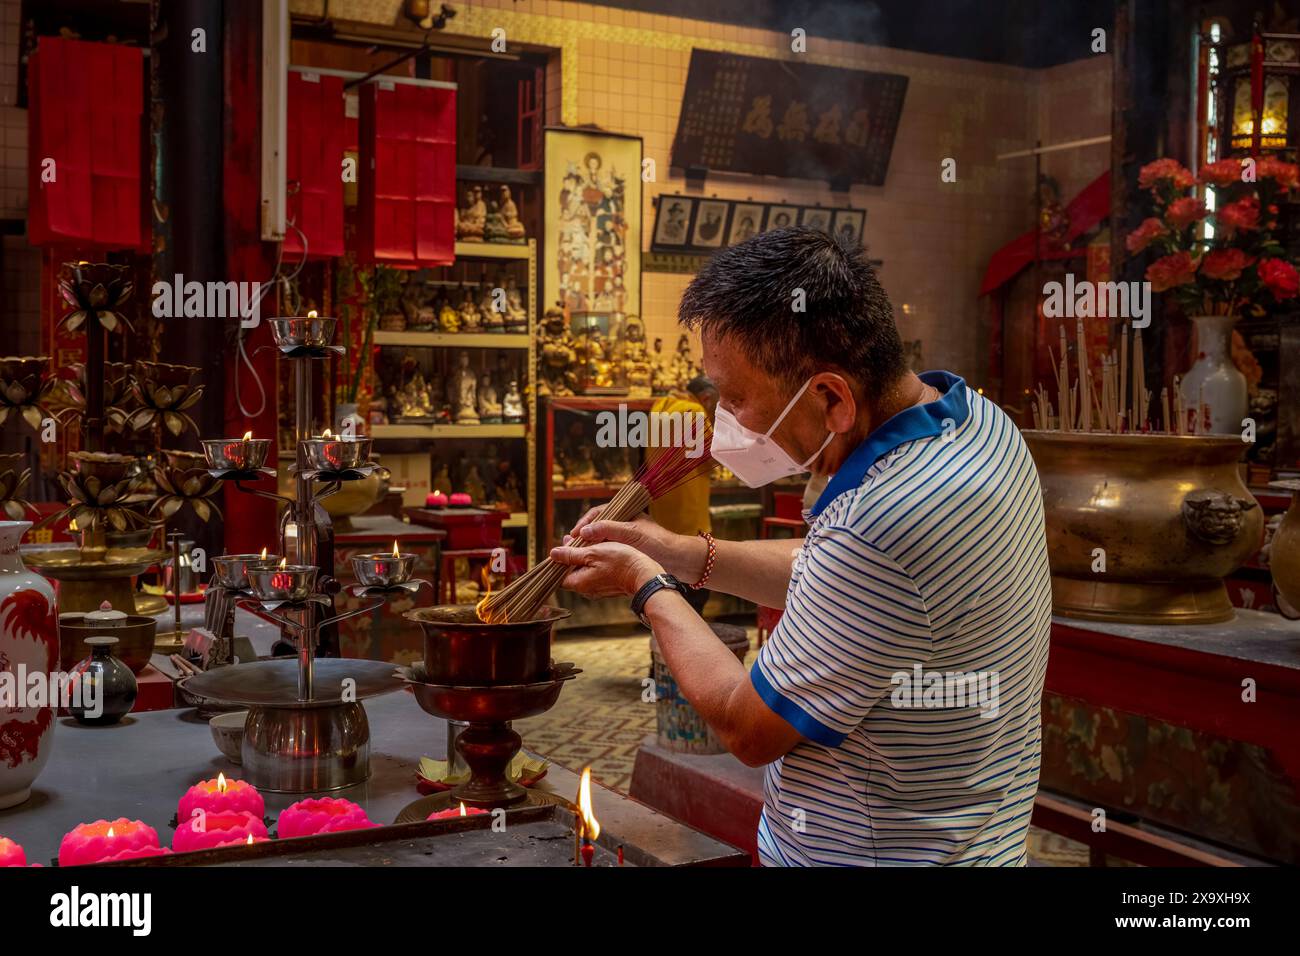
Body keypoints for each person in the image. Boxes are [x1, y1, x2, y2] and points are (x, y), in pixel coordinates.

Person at [550, 227, 1052, 866]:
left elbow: (747, 725)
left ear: (830, 398)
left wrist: (648, 585)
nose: (726, 423)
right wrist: (676, 550)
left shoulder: (880, 522)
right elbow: (837, 579)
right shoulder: (979, 423)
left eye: (736, 399)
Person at [646, 375, 718, 614]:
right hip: (689, 517)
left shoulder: (659, 407)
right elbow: (713, 460)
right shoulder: (694, 412)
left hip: (660, 513)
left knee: (662, 589)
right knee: (694, 589)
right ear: (706, 398)